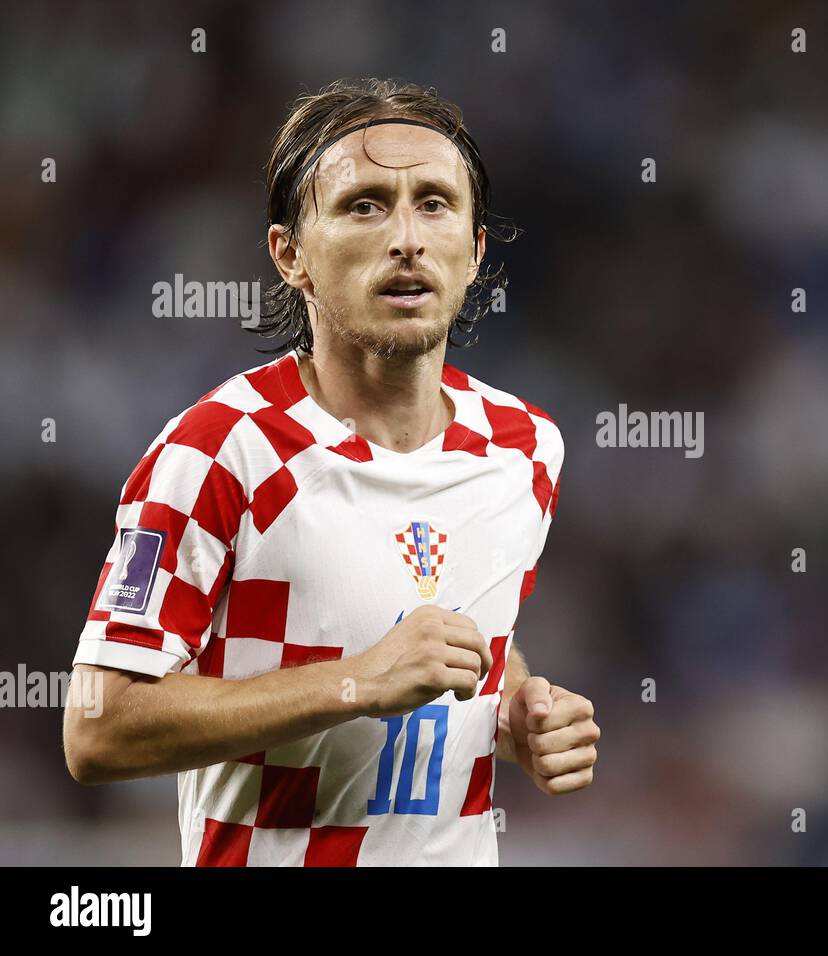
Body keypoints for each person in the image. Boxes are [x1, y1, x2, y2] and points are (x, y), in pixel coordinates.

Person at [62, 78, 599, 866]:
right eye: (365, 206)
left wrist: (517, 711)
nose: (407, 237)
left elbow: (473, 636)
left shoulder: (523, 449)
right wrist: (355, 684)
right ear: (291, 256)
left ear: (476, 249)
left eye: (435, 204)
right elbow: (97, 727)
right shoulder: (223, 449)